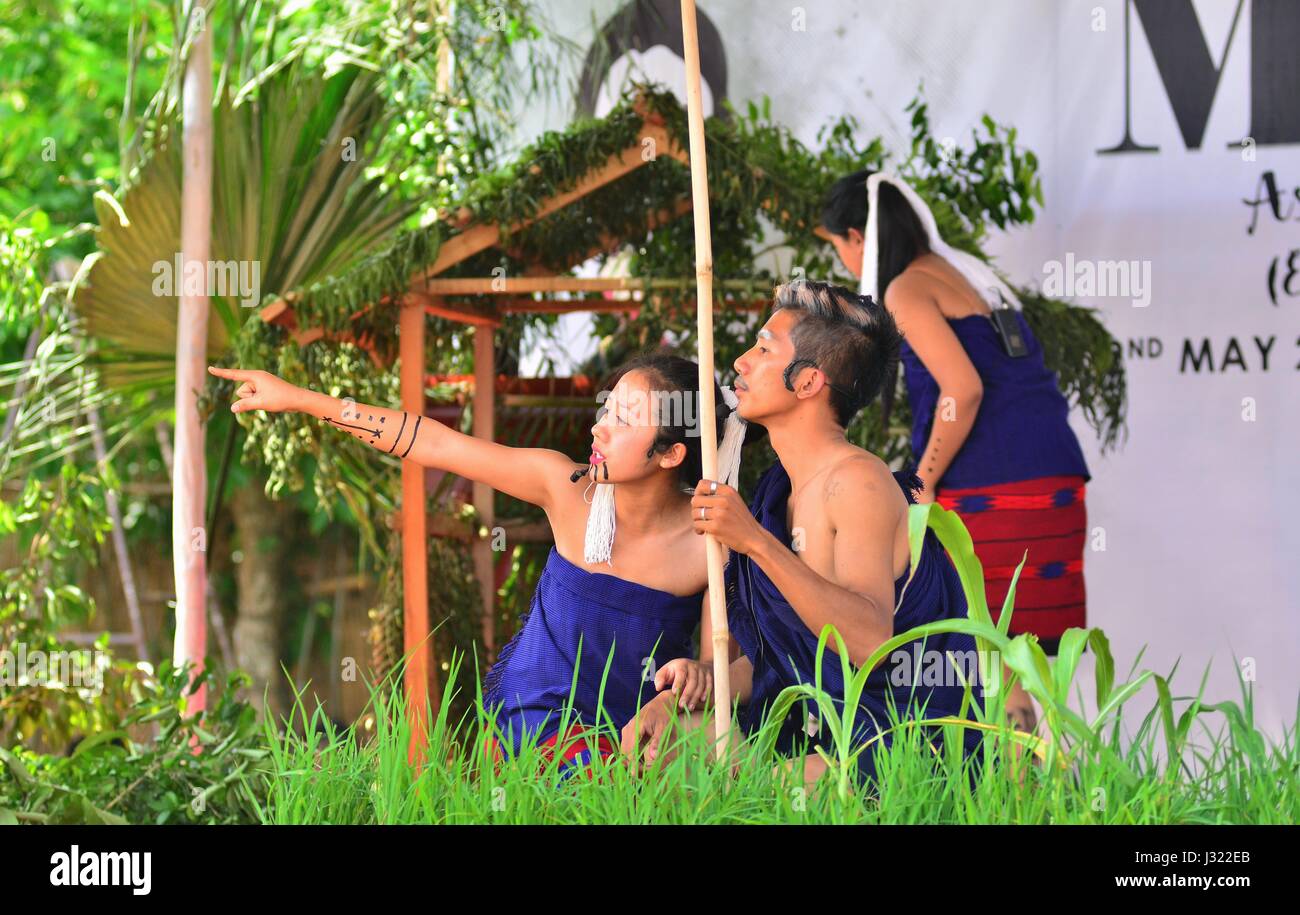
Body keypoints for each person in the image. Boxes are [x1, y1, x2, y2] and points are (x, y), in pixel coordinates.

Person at [207, 353, 739, 775]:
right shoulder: (564, 488)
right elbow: (431, 441)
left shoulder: (708, 545)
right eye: (607, 409)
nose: (600, 427)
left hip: (640, 737)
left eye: (624, 420)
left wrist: (700, 674)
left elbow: (733, 667)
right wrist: (299, 399)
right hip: (533, 723)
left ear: (670, 455)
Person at [621, 280, 987, 793]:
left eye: (764, 349)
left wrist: (755, 542)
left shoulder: (856, 481)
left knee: (748, 784)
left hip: (898, 738)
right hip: (815, 728)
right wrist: (699, 685)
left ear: (809, 381)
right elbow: (787, 661)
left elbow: (868, 641)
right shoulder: (782, 488)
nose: (742, 363)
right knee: (674, 737)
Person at [820, 170, 1093, 733]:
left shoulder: (906, 288)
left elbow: (961, 390)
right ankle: (1034, 793)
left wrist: (921, 480)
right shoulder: (964, 273)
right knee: (1014, 655)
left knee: (990, 650)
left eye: (838, 248)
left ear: (858, 238)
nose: (844, 261)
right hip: (1052, 480)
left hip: (996, 486)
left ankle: (1018, 801)